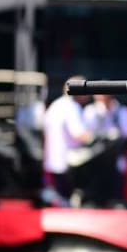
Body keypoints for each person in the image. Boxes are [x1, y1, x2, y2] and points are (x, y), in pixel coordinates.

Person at [42, 75, 92, 206]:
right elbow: (79, 134)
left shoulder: (55, 105)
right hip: (68, 163)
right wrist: (99, 136)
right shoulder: (72, 107)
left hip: (52, 161)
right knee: (68, 202)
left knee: (61, 199)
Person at [82, 94, 127, 205]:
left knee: (116, 197)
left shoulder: (122, 111)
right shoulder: (90, 111)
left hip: (116, 161)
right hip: (95, 162)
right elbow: (86, 135)